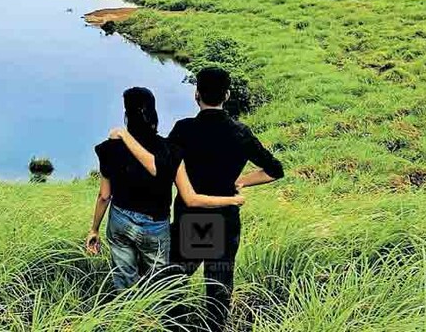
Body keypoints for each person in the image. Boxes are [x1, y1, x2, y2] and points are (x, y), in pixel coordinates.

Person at [110, 67, 285, 328]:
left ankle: (175, 325)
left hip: (191, 218)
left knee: (174, 279)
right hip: (225, 219)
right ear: (226, 95)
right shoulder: (240, 132)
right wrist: (240, 182)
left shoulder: (184, 129)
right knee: (218, 288)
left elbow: (162, 166)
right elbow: (275, 170)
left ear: (196, 94)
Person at [86, 87, 245, 291]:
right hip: (155, 226)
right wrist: (232, 200)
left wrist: (94, 229)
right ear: (154, 114)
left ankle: (127, 317)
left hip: (120, 220)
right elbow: (191, 198)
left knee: (124, 277)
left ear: (127, 115)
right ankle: (154, 317)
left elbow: (104, 196)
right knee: (158, 283)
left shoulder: (109, 148)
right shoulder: (171, 151)